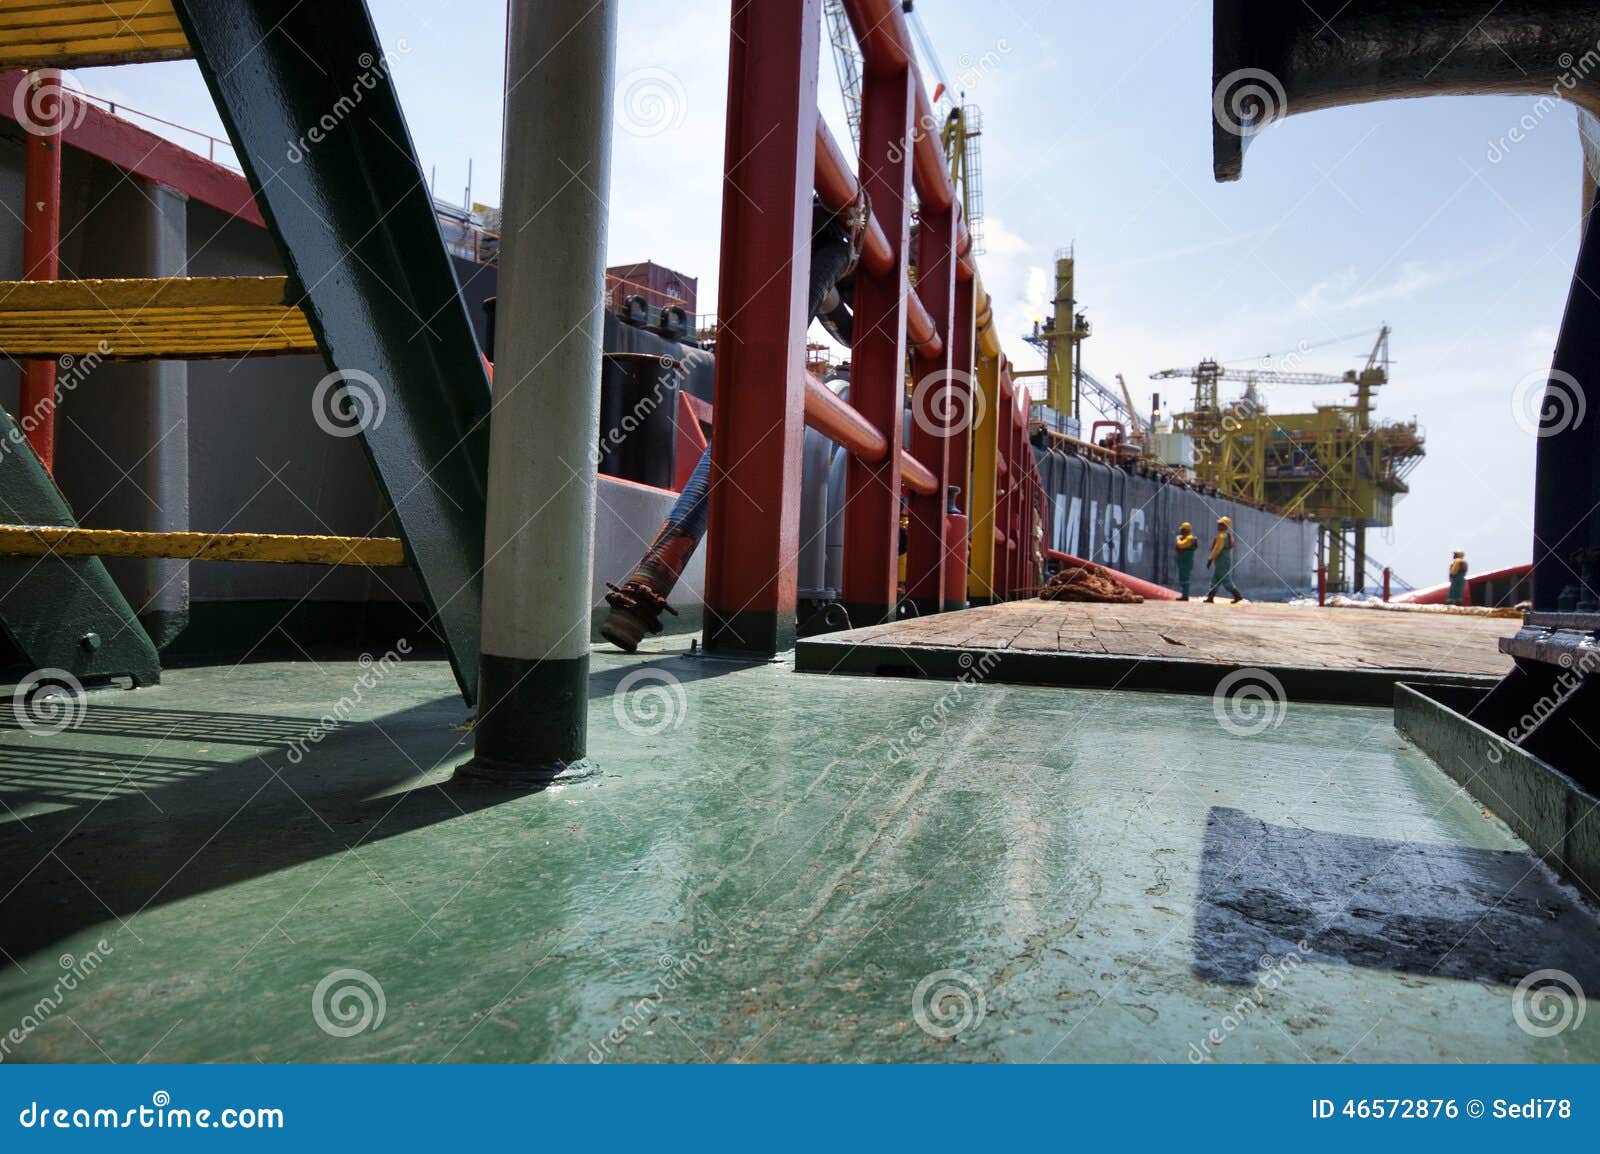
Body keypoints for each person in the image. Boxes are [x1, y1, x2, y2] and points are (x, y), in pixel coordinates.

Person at [1205, 515, 1244, 604]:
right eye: (1218, 524)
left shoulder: (1222, 536)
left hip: (1221, 560)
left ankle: (1237, 595)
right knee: (1215, 579)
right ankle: (1210, 598)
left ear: (1225, 526)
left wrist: (1210, 559)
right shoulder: (1226, 535)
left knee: (1225, 578)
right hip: (1223, 559)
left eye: (1220, 524)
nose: (1218, 526)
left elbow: (1217, 549)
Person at [1174, 521, 1199, 600]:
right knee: (1183, 578)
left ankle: (1185, 596)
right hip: (1184, 561)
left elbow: (1181, 545)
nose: (1181, 531)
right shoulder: (1187, 538)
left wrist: (1177, 539)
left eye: (1182, 530)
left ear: (1185, 530)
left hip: (1185, 562)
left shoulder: (1189, 538)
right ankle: (1184, 595)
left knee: (1185, 578)